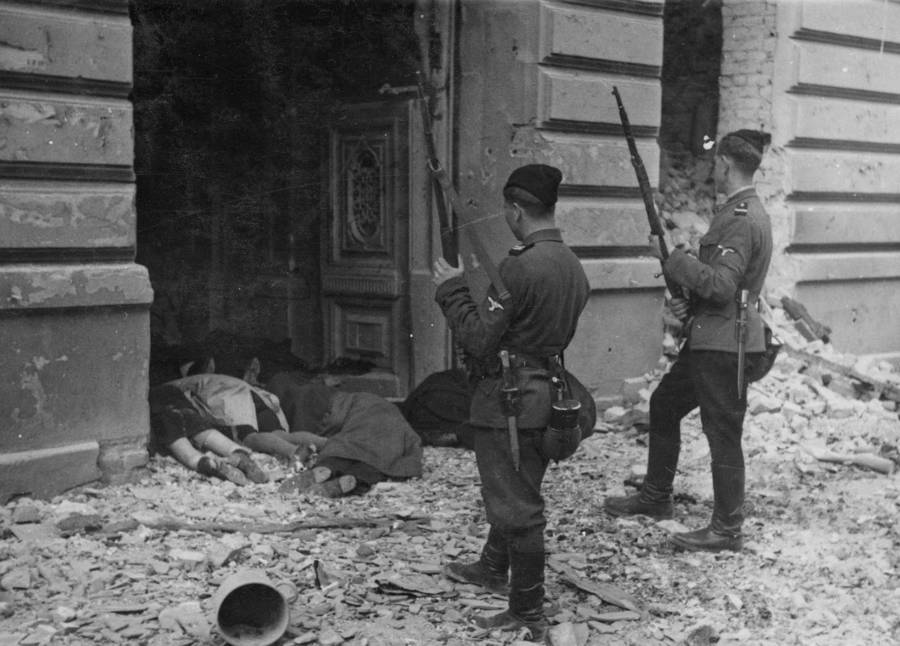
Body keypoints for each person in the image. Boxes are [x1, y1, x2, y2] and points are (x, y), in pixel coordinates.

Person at [431, 164, 591, 642]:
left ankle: (526, 611)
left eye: (506, 210)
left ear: (517, 210)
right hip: (550, 397)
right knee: (519, 486)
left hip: (510, 403)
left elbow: (480, 339)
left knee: (519, 507)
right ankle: (491, 566)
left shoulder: (520, 266)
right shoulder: (572, 264)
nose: (505, 217)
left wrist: (451, 288)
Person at [603, 129, 773, 553]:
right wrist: (690, 302)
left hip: (725, 346)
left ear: (725, 165)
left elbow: (721, 285)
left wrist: (675, 258)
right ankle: (655, 496)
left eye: (716, 162)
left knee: (723, 433)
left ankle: (727, 530)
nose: (713, 169)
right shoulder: (740, 211)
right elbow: (723, 288)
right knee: (664, 404)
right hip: (712, 338)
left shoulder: (740, 218)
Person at [148, 384, 269, 485]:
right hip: (186, 409)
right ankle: (240, 455)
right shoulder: (177, 387)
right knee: (205, 433)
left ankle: (211, 465)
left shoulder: (151, 394)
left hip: (162, 414)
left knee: (190, 456)